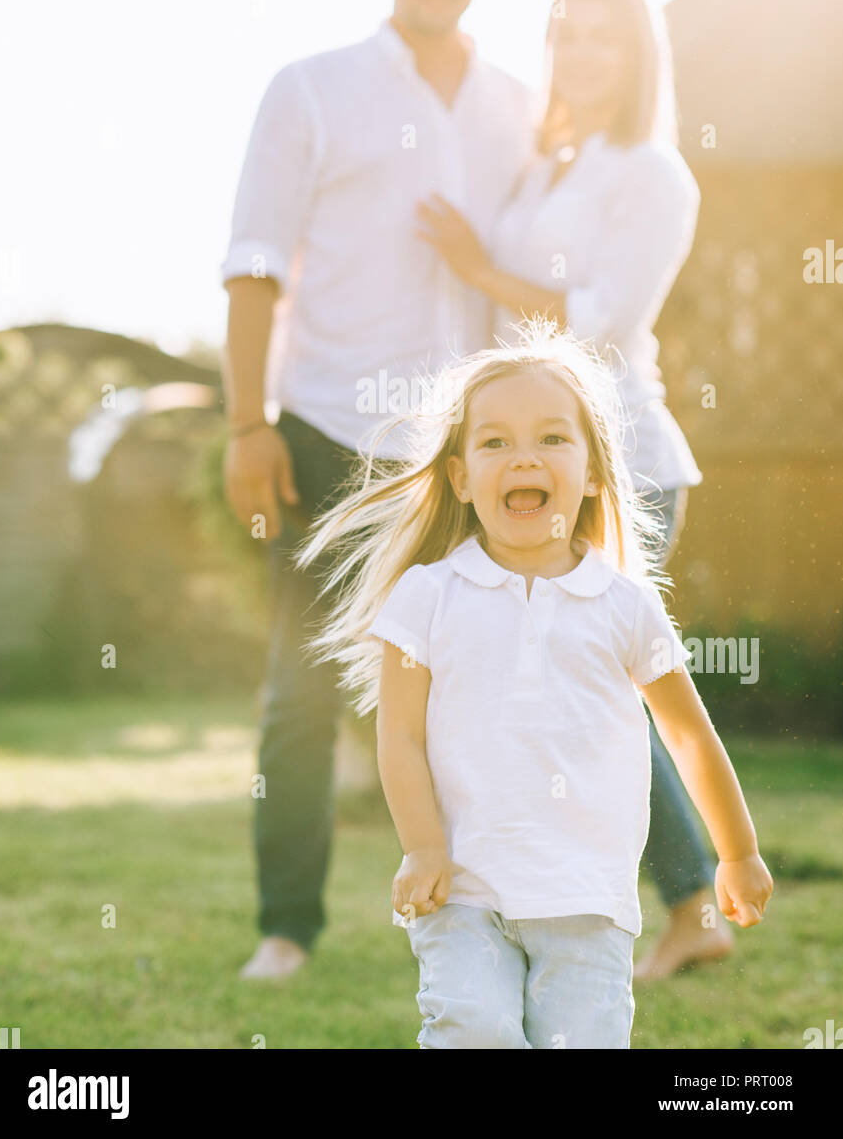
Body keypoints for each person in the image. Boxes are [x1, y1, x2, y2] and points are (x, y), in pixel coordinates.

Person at [294, 319, 773, 1048]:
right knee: (472, 1029)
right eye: (494, 442)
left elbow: (686, 734)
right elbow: (402, 737)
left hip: (586, 900)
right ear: (459, 476)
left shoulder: (623, 605)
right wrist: (423, 848)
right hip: (462, 891)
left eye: (552, 438)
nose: (523, 456)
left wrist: (735, 854)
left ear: (591, 473)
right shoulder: (425, 598)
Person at [220, 0, 535, 979]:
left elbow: (529, 272)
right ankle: (286, 927)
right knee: (303, 690)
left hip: (465, 448)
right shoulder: (309, 90)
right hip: (327, 425)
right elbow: (253, 262)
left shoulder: (515, 104)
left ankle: (487, 919)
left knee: (481, 689)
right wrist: (246, 425)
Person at [415, 0, 732, 980]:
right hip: (526, 460)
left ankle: (689, 905)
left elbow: (594, 322)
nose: (582, 56)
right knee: (579, 688)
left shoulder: (653, 173)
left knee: (606, 686)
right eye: (566, 35)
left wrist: (475, 268)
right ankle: (652, 904)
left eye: (605, 38)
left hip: (617, 464)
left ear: (639, 56)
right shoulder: (547, 165)